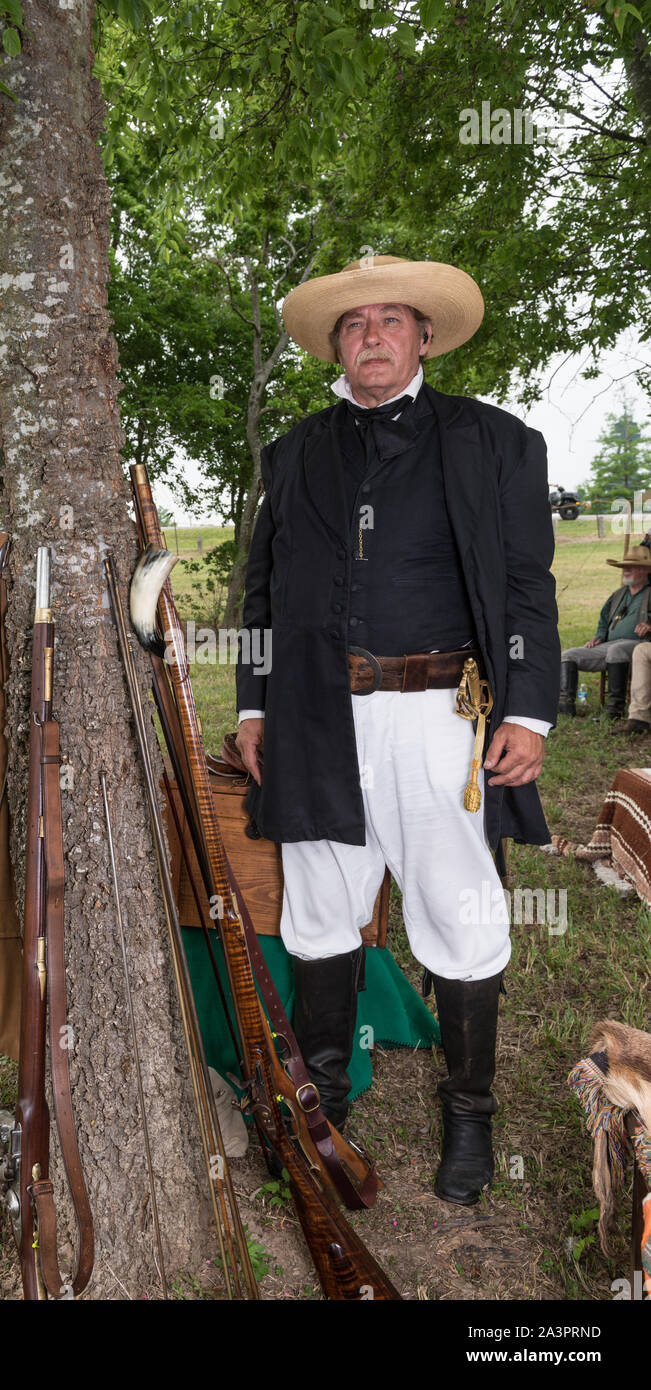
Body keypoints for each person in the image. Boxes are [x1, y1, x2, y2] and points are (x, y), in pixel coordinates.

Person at [235, 254, 559, 1206]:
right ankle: (325, 1102)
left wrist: (528, 710)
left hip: (440, 714)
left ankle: (470, 1115)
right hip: (313, 713)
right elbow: (261, 590)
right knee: (320, 907)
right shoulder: (293, 453)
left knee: (457, 907)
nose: (371, 335)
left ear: (422, 338)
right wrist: (253, 705)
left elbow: (527, 585)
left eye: (390, 320)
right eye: (353, 323)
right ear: (336, 346)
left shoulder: (495, 442)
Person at [559, 539, 651, 719]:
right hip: (610, 645)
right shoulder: (618, 594)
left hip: (639, 645)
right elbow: (603, 618)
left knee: (616, 650)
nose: (625, 570)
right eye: (624, 567)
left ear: (644, 570)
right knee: (568, 655)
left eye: (631, 567)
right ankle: (565, 705)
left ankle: (615, 709)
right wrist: (599, 636)